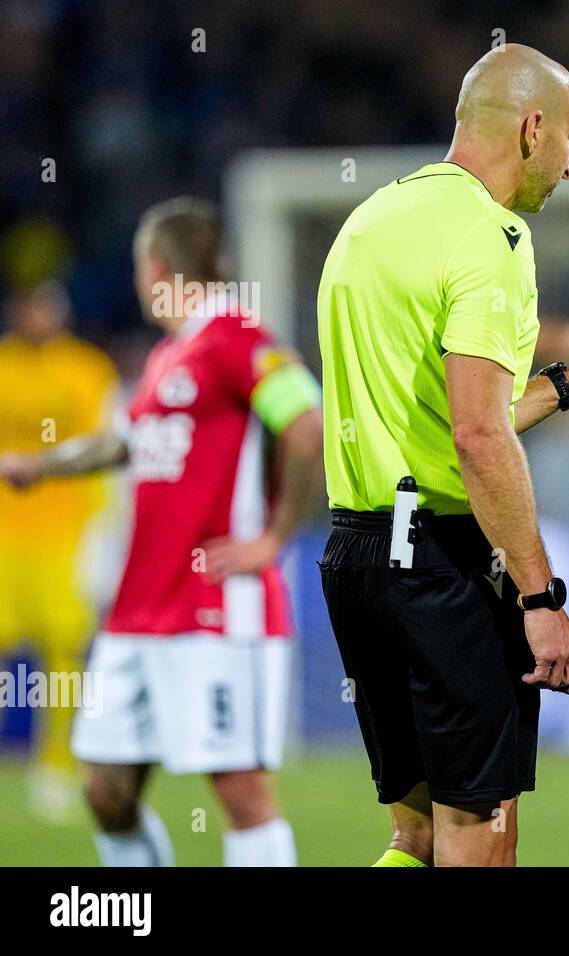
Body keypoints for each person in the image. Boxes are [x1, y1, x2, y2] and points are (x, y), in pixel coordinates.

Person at [316, 43, 569, 868]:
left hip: (358, 554)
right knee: (481, 841)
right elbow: (478, 436)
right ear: (533, 129)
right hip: (444, 567)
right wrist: (541, 597)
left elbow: (450, 417)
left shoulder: (371, 222)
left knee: (416, 836)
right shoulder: (491, 236)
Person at [0, 197, 324, 866]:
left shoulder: (237, 338)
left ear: (153, 270)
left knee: (238, 791)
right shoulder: (169, 359)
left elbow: (307, 424)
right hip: (141, 610)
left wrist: (273, 539)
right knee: (105, 789)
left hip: (212, 607)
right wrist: (36, 464)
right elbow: (123, 444)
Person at [0, 282, 117, 821]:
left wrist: (105, 529)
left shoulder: (87, 369)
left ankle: (53, 767)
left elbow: (110, 445)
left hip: (67, 535)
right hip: (5, 535)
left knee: (64, 656)